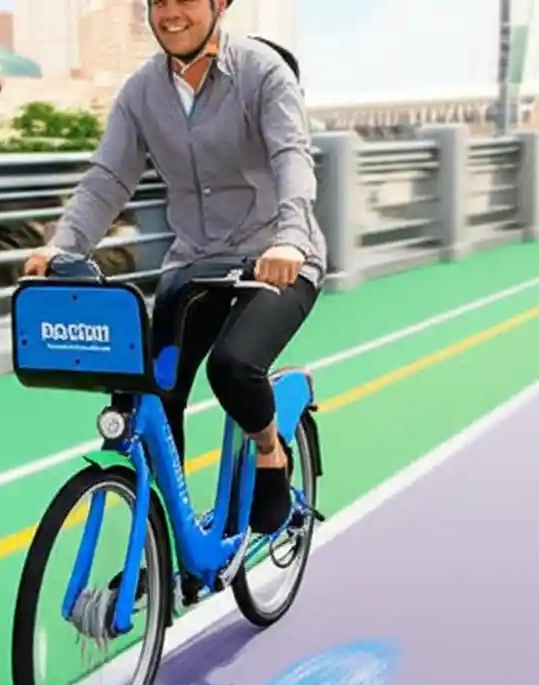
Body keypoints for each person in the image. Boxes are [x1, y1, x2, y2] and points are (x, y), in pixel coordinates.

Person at [22, 0, 326, 536]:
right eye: (158, 2)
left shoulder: (262, 72)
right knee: (156, 397)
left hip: (272, 261)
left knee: (232, 367)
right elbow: (107, 180)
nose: (170, 14)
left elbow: (291, 158)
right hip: (193, 268)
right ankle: (164, 543)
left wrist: (292, 241)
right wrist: (62, 246)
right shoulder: (142, 93)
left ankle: (269, 447)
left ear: (220, 5)